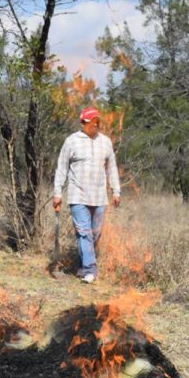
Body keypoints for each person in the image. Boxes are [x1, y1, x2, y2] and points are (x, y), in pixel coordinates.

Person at [53, 106, 121, 284]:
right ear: (83, 122)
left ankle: (83, 267)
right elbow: (62, 167)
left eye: (97, 121)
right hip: (78, 196)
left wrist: (116, 190)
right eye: (92, 121)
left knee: (95, 234)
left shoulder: (105, 142)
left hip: (99, 196)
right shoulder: (71, 141)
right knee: (84, 233)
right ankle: (91, 269)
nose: (96, 125)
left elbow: (111, 167)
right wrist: (57, 193)